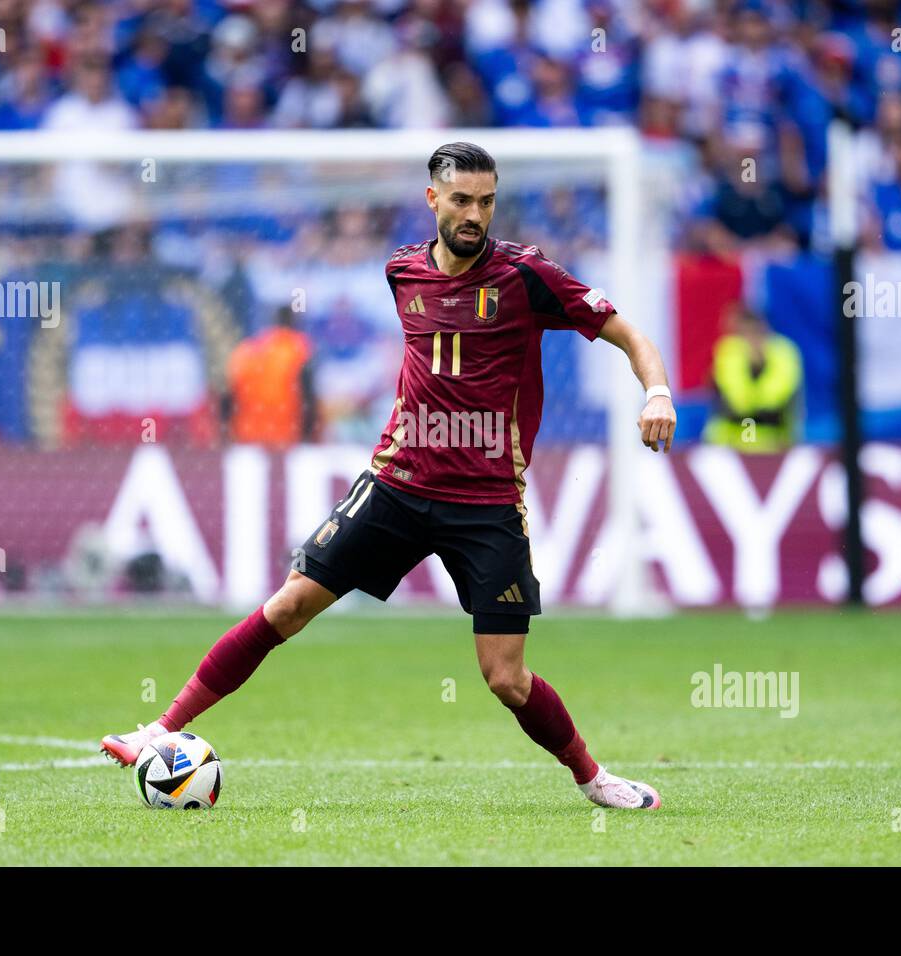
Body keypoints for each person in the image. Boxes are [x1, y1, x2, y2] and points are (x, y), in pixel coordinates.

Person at [102, 142, 678, 810]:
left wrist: (657, 392)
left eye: (486, 201)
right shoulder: (401, 271)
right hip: (398, 484)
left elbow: (629, 333)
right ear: (433, 199)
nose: (475, 214)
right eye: (461, 200)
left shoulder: (528, 276)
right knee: (288, 605)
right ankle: (161, 729)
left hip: (486, 501)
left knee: (505, 678)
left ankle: (592, 777)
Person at [703, 304, 802, 452]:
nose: (752, 340)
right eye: (746, 334)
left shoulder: (784, 352)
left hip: (774, 444)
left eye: (756, 332)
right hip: (729, 445)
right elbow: (739, 400)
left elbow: (774, 398)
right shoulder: (728, 351)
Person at [224, 306, 316, 447]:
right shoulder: (298, 348)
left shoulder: (249, 347)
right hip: (285, 433)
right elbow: (307, 394)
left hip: (246, 432)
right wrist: (308, 432)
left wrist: (227, 426)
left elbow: (230, 391)